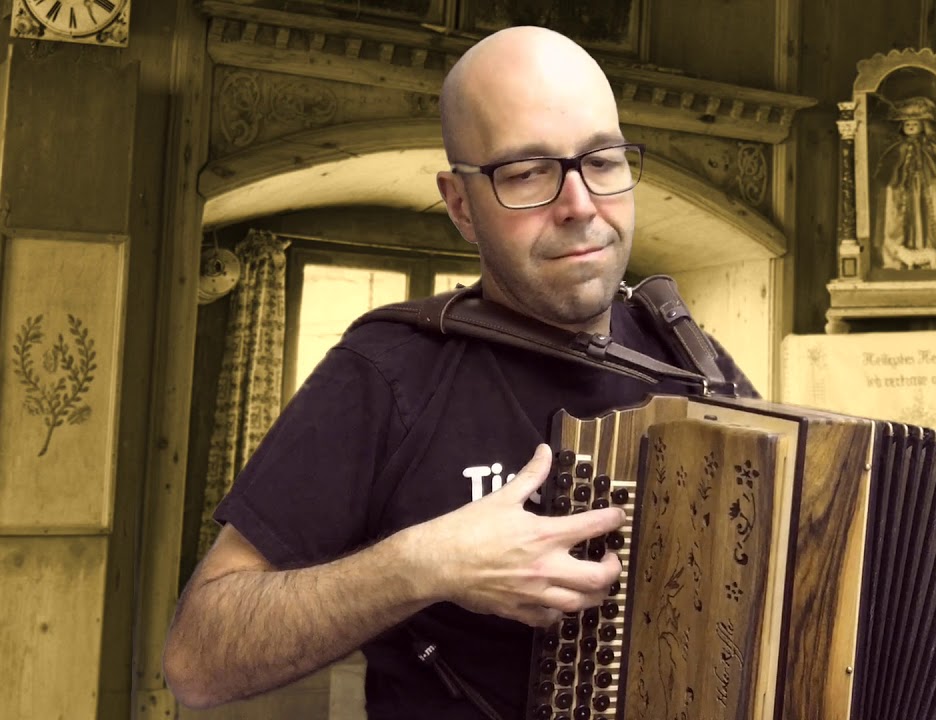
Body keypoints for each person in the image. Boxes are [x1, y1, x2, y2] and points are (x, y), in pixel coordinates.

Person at [162, 25, 757, 720]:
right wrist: (423, 565)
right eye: (528, 172)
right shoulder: (386, 373)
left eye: (601, 160)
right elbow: (196, 660)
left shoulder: (697, 368)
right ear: (460, 204)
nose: (580, 204)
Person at [875, 95, 936, 270]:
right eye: (907, 124)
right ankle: (895, 258)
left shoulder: (933, 150)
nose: (910, 126)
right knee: (897, 218)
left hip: (927, 189)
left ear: (924, 126)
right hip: (901, 192)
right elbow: (886, 175)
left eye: (915, 123)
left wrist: (932, 183)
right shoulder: (895, 150)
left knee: (933, 213)